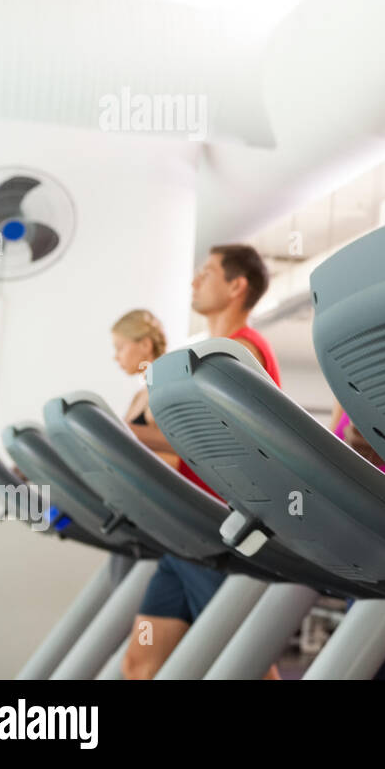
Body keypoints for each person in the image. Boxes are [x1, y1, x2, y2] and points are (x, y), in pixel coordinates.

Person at [121, 244, 284, 680]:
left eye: (207, 272)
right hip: (188, 531)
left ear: (237, 286)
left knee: (246, 665)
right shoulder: (206, 353)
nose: (195, 279)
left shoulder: (242, 352)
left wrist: (132, 432)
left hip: (224, 533)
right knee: (140, 664)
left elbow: (245, 439)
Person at [108, 308, 169, 580]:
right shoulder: (139, 396)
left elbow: (176, 450)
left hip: (153, 513)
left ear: (145, 344)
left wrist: (122, 430)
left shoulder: (162, 388)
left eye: (120, 347)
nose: (116, 356)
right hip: (130, 506)